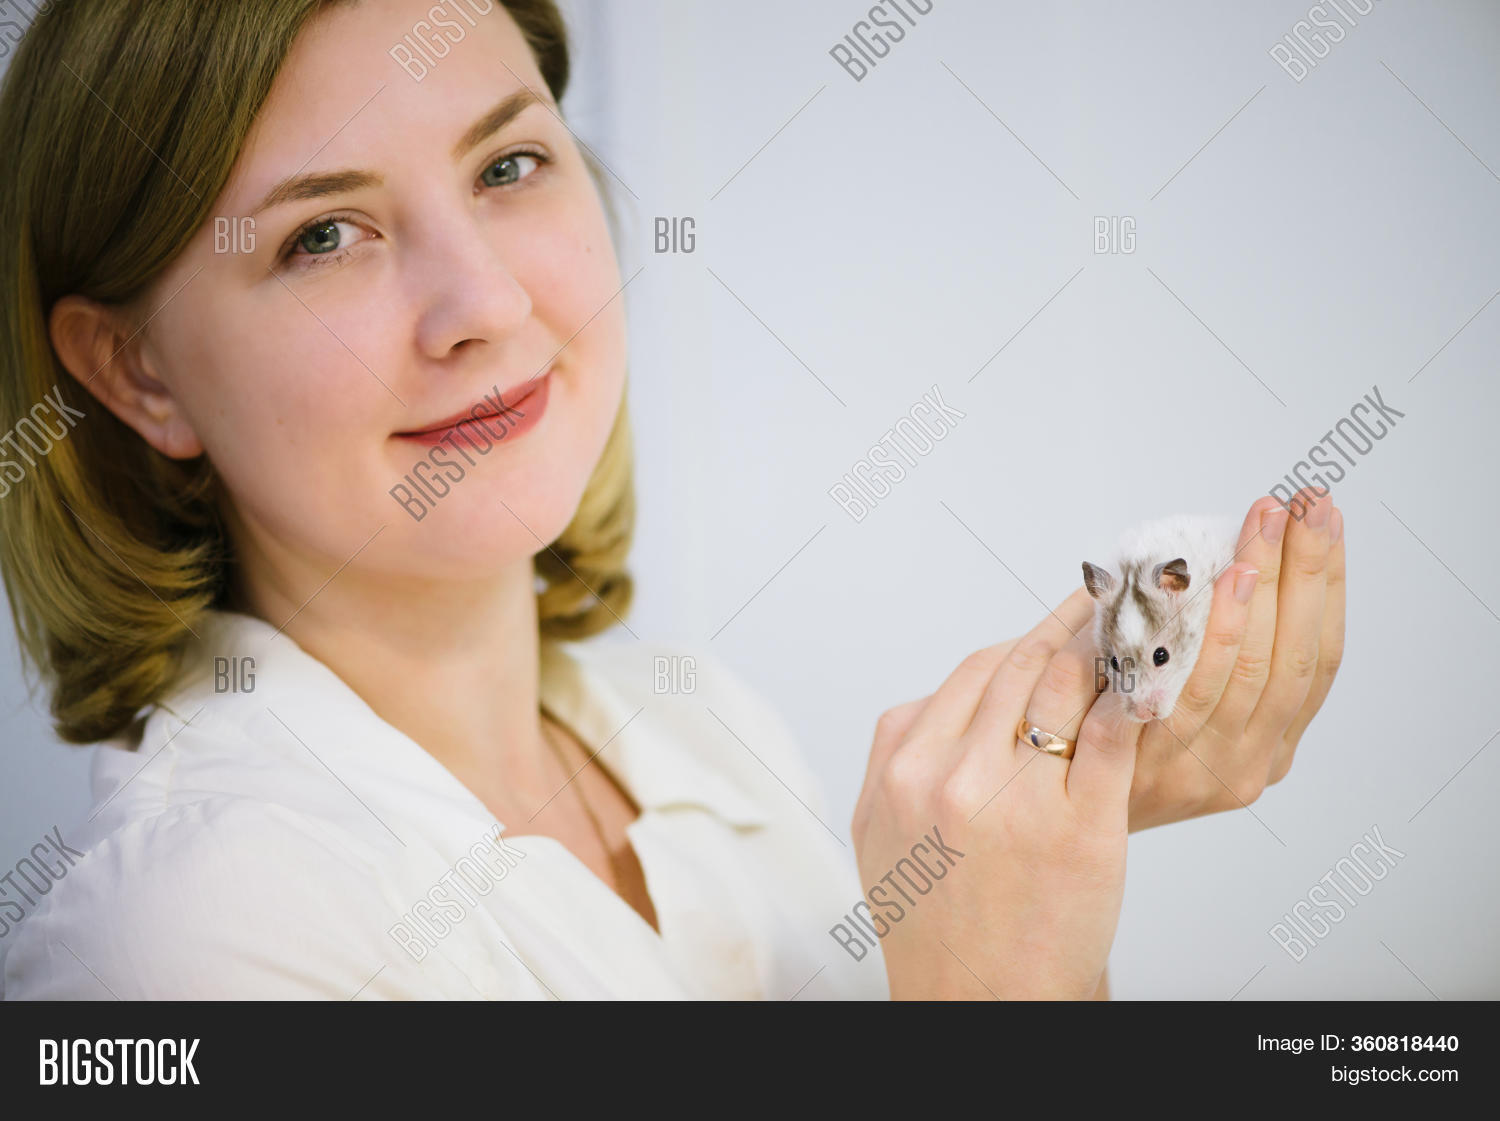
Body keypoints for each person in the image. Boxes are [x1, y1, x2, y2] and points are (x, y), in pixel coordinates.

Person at [0, 0, 1344, 999]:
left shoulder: (703, 727)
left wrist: (1051, 843)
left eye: (508, 165)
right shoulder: (179, 946)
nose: (487, 303)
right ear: (138, 373)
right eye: (322, 235)